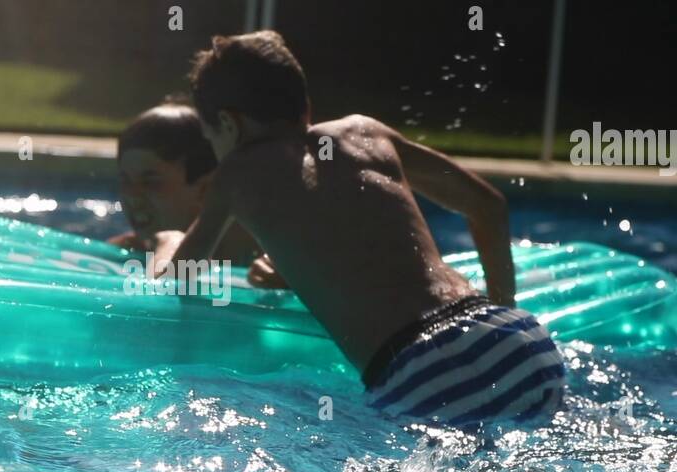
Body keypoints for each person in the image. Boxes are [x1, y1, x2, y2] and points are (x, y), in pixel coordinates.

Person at [155, 31, 565, 426]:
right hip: (516, 341)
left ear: (228, 124)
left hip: (418, 371)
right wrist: (503, 308)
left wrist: (167, 240)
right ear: (305, 105)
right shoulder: (365, 132)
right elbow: (488, 206)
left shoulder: (237, 173)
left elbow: (179, 275)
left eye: (210, 137)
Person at [114, 101, 268, 271]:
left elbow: (164, 288)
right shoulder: (128, 249)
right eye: (125, 180)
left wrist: (171, 246)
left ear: (205, 190)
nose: (131, 195)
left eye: (151, 182)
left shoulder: (261, 253)